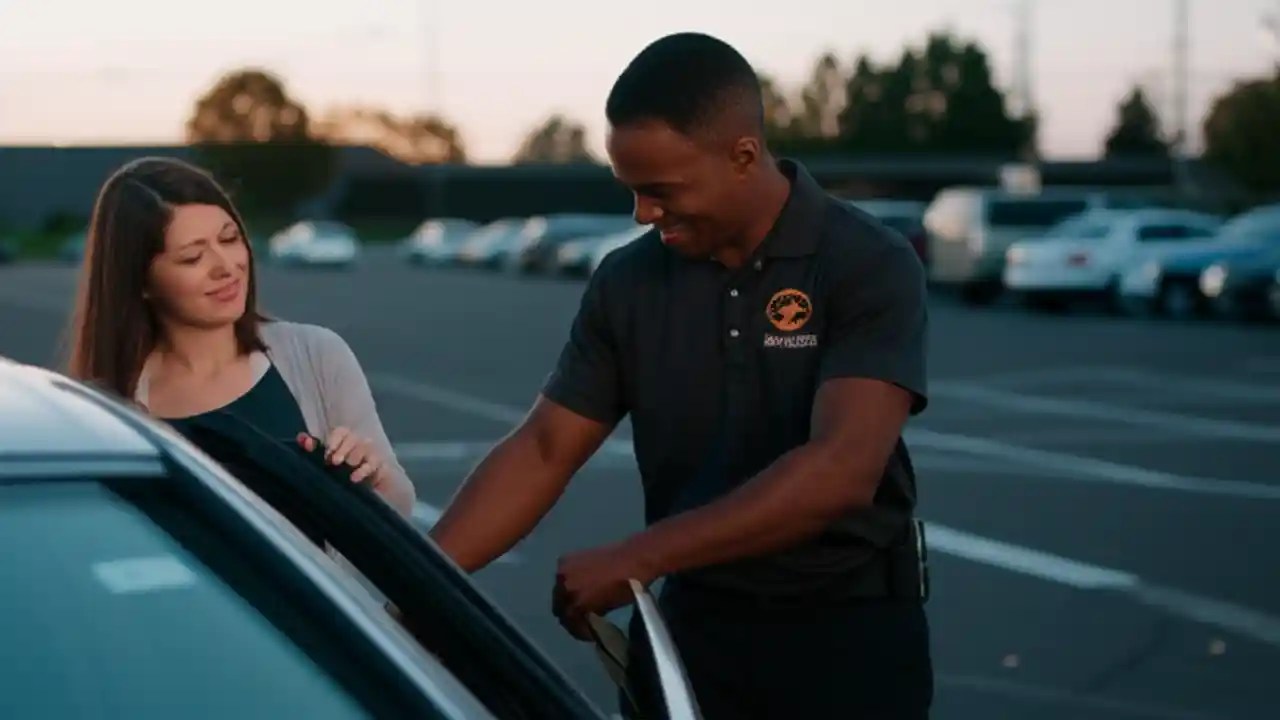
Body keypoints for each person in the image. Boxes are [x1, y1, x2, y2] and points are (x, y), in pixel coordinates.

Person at [429, 31, 932, 719]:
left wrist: (639, 556)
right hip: (691, 630)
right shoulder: (627, 281)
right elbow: (545, 447)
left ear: (743, 156)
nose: (642, 214)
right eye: (631, 191)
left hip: (847, 637)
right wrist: (414, 584)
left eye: (661, 190)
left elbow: (840, 469)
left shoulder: (865, 261)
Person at [65, 156, 415, 519]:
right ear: (141, 283)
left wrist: (373, 478)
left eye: (230, 239)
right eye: (193, 257)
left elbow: (400, 504)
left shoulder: (316, 355)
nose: (226, 266)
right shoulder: (109, 407)